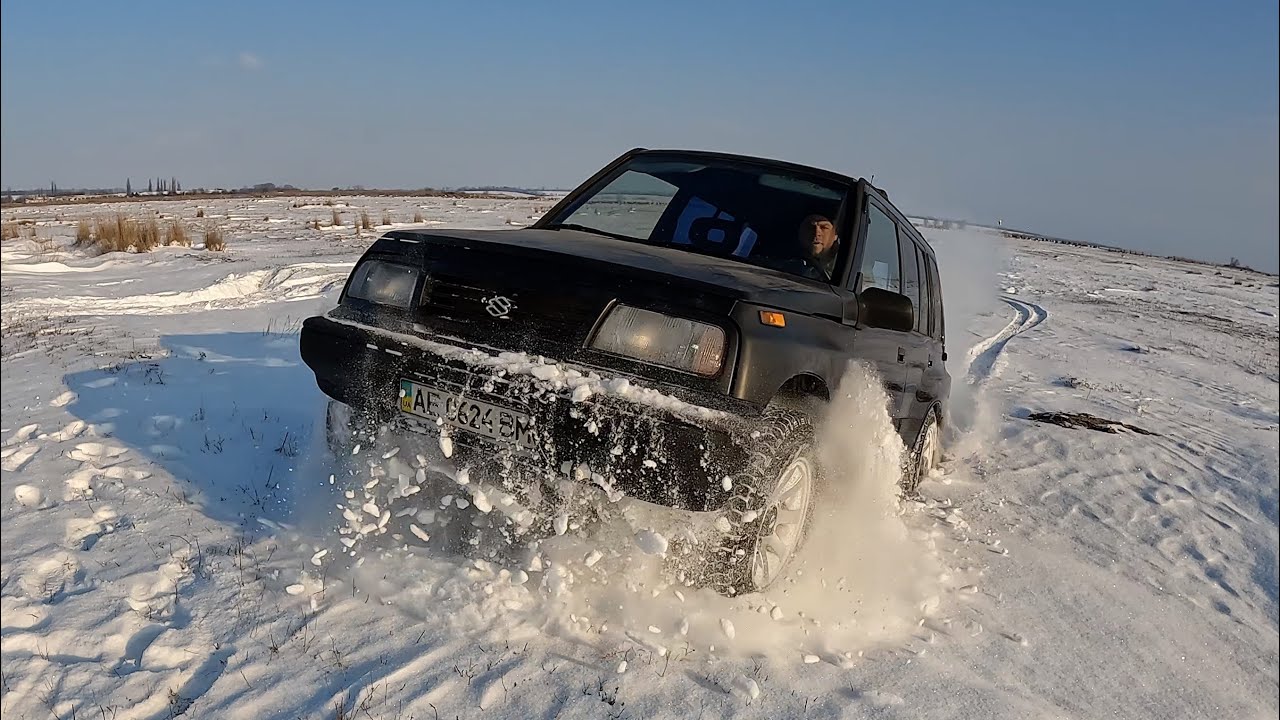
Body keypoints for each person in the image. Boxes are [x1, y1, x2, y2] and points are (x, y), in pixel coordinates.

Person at [796, 213, 840, 280]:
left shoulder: (845, 266)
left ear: (835, 235)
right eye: (810, 227)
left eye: (824, 227)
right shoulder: (786, 264)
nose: (816, 233)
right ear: (800, 232)